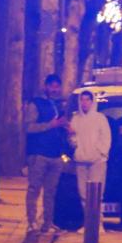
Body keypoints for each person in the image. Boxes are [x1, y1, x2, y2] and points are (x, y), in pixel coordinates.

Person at [25, 74, 70, 233]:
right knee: (34, 188)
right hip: (39, 153)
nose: (55, 89)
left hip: (56, 155)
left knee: (51, 191)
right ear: (46, 86)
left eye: (57, 86)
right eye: (52, 86)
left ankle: (48, 222)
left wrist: (65, 127)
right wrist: (50, 125)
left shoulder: (58, 105)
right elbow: (29, 127)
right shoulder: (36, 104)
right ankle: (31, 222)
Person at [69, 91, 111, 196]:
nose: (85, 103)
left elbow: (106, 138)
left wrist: (100, 153)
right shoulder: (75, 119)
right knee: (82, 192)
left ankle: (95, 213)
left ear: (92, 101)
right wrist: (75, 148)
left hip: (97, 162)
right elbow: (72, 139)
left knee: (95, 193)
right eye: (82, 99)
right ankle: (86, 213)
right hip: (80, 161)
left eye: (87, 99)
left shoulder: (100, 118)